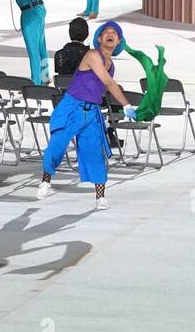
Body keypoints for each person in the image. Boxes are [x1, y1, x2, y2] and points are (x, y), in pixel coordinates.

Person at [38, 20, 135, 210]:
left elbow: (105, 85)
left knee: (94, 153)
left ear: (118, 42)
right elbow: (108, 82)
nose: (110, 34)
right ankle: (45, 181)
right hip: (71, 107)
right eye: (106, 32)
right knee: (57, 145)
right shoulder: (92, 55)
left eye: (114, 33)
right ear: (99, 39)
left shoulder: (111, 64)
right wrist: (126, 105)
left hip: (91, 112)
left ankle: (100, 197)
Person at [12, 0, 75, 85]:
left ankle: (36, 82)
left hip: (30, 12)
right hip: (37, 9)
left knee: (33, 49)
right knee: (41, 47)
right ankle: (45, 77)